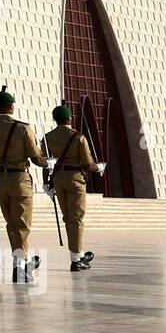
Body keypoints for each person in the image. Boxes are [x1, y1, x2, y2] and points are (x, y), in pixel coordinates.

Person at [0, 86, 47, 283]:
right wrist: (47, 163)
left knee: (11, 224)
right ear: (11, 106)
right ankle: (21, 266)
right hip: (19, 179)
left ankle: (20, 264)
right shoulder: (22, 128)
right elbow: (36, 158)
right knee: (22, 225)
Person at [42, 105, 102, 272]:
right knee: (76, 218)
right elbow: (88, 164)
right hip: (75, 179)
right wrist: (99, 167)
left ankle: (79, 252)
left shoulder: (47, 138)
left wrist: (46, 182)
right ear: (69, 119)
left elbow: (45, 162)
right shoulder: (78, 137)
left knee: (68, 218)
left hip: (58, 180)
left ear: (55, 119)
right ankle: (76, 259)